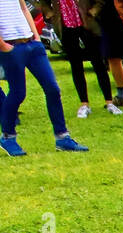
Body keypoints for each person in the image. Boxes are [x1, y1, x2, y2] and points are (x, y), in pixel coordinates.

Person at [0, 0, 89, 154]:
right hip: (10, 46)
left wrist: (36, 37)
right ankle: (8, 137)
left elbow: (24, 9)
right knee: (18, 93)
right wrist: (3, 46)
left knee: (53, 89)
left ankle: (62, 137)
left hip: (32, 44)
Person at [40, 0, 122, 117]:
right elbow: (41, 3)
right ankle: (84, 104)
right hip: (66, 29)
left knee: (98, 64)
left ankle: (109, 102)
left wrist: (93, 12)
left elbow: (100, 1)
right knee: (76, 65)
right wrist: (50, 13)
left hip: (87, 26)